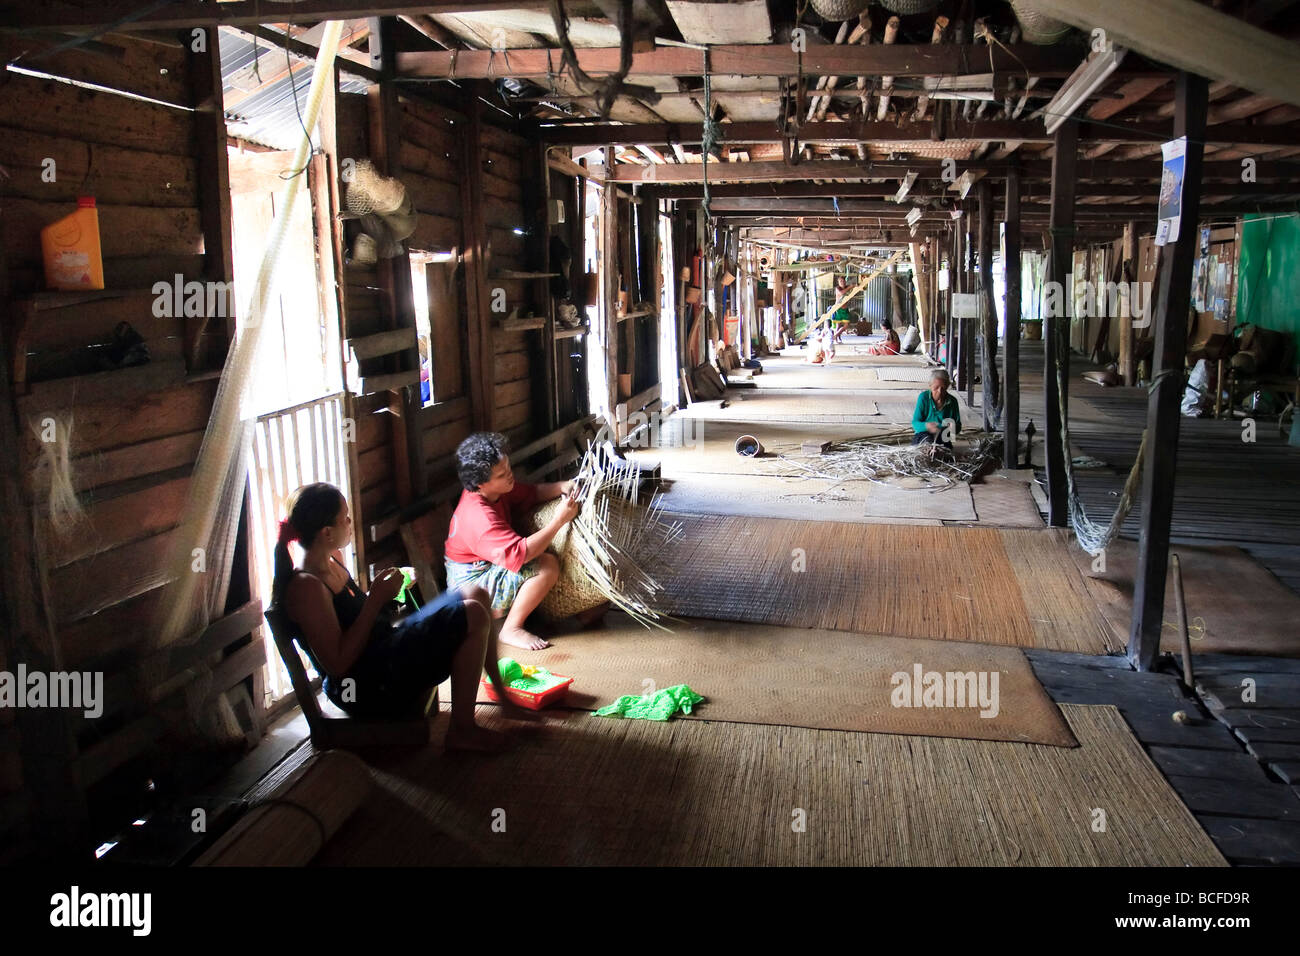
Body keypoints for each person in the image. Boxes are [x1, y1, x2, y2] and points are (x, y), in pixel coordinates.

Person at [271, 482, 528, 753]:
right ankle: (462, 730)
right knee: (472, 615)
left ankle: (501, 696)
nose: (350, 522)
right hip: (362, 687)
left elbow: (354, 615)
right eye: (344, 517)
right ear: (326, 532)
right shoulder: (306, 587)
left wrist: (387, 591)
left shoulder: (332, 558)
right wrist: (375, 601)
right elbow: (337, 665)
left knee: (476, 593)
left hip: (382, 650)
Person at [443, 432, 588, 651]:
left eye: (508, 468)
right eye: (502, 475)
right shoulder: (480, 518)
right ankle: (511, 628)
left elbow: (532, 492)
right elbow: (522, 554)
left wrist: (562, 486)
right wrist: (558, 521)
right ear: (481, 484)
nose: (509, 476)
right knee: (547, 565)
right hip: (471, 586)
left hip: (488, 563)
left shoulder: (496, 490)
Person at [912, 368, 962, 448]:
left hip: (943, 435)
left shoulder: (952, 401)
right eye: (936, 388)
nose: (939, 391)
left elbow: (958, 425)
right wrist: (927, 426)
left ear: (947, 386)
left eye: (943, 388)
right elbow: (915, 423)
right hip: (924, 434)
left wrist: (953, 428)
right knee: (927, 443)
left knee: (945, 451)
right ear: (930, 386)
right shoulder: (923, 398)